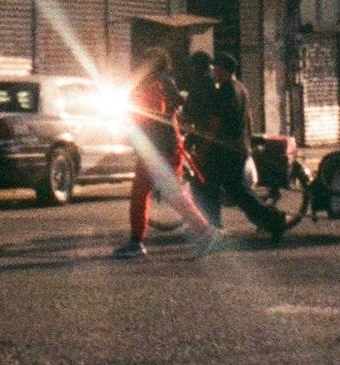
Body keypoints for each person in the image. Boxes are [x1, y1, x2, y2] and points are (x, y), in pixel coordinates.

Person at [115, 59, 212, 259]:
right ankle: (204, 231)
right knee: (167, 194)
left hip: (156, 149)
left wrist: (132, 116)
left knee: (144, 194)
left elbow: (151, 115)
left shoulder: (154, 85)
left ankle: (137, 242)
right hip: (167, 147)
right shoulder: (167, 83)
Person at [185, 52, 286, 242]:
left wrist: (204, 147)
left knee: (214, 188)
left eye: (216, 69)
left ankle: (217, 227)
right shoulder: (241, 88)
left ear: (224, 69)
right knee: (235, 191)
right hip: (237, 148)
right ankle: (271, 220)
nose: (214, 72)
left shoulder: (226, 90)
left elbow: (215, 123)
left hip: (225, 150)